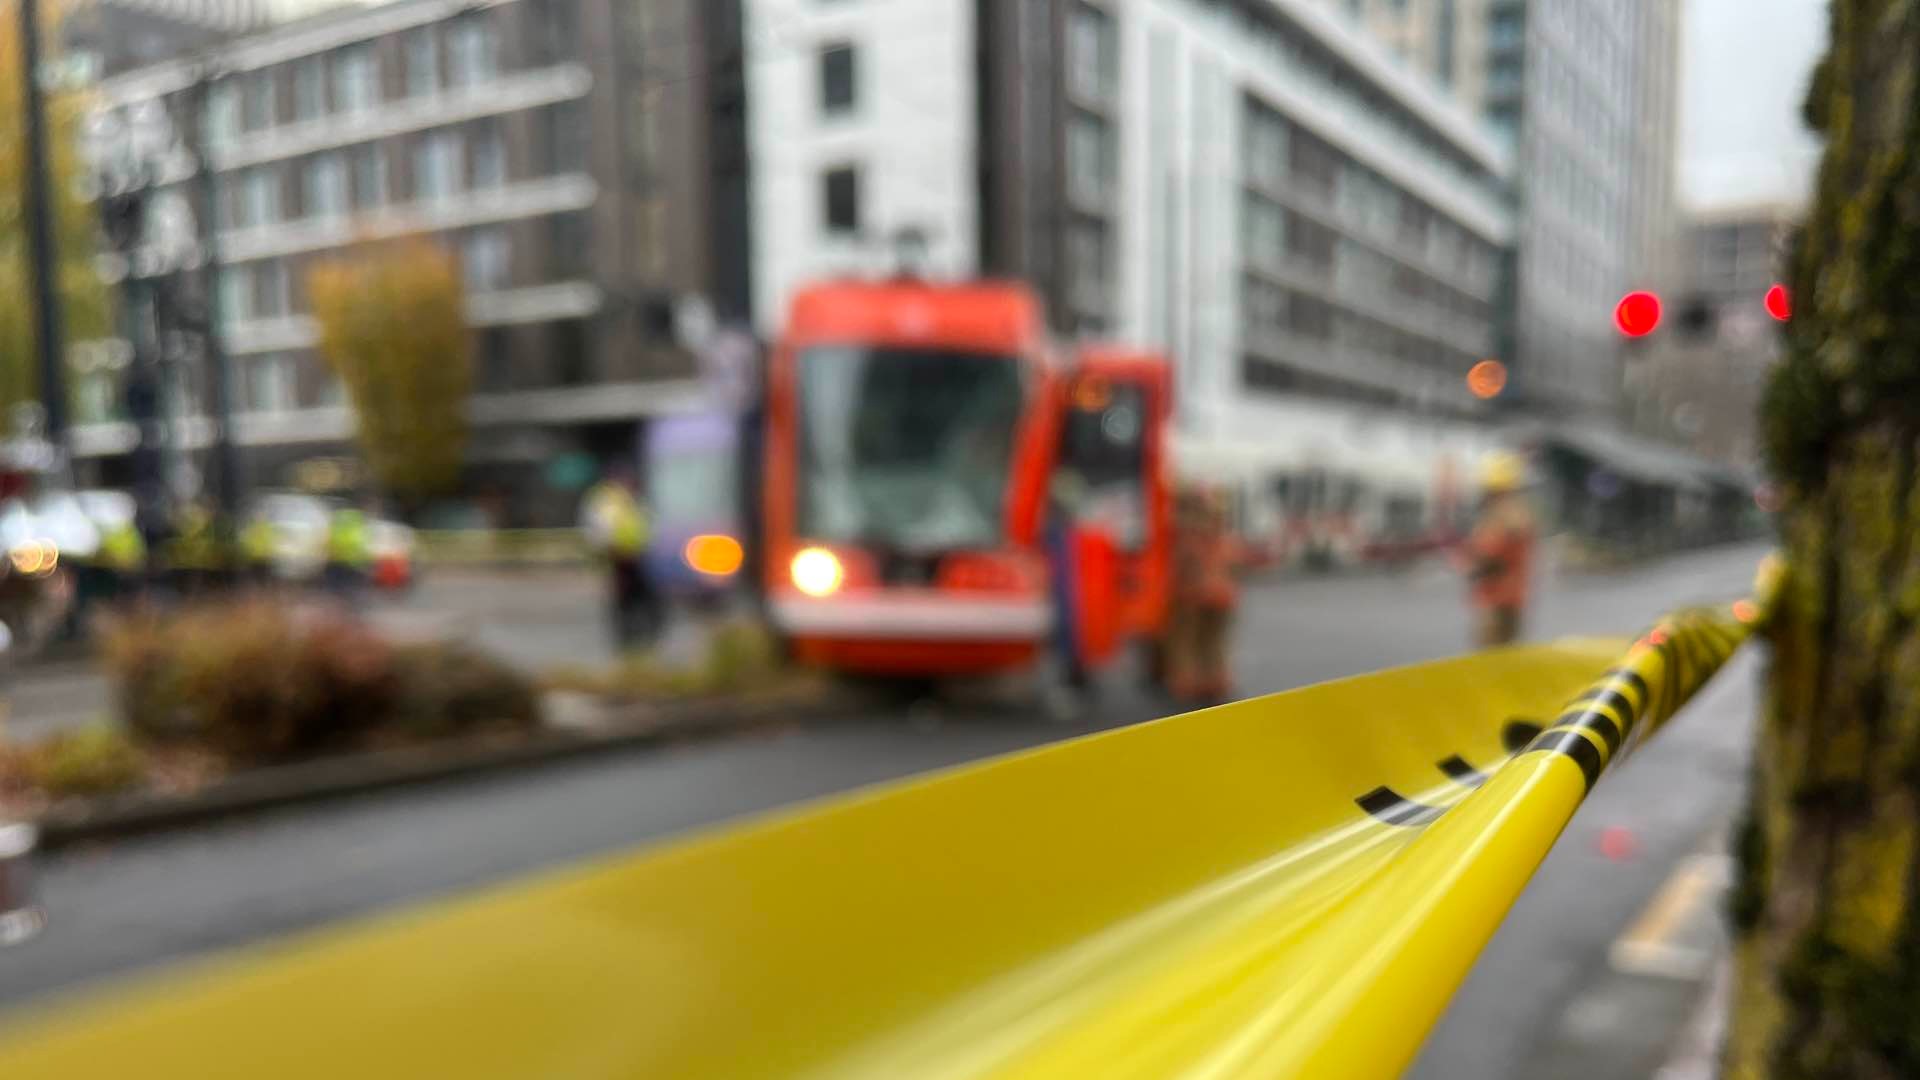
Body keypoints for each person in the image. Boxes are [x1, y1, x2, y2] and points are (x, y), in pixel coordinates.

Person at [1164, 484, 1240, 702]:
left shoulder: (1183, 532)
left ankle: (1186, 685)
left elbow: (1184, 565)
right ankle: (1217, 682)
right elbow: (1235, 563)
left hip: (1192, 595)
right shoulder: (1220, 531)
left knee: (1185, 641)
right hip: (1223, 595)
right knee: (1214, 642)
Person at [1464, 451, 1538, 648]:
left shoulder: (1499, 516)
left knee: (1488, 661)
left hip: (1493, 601)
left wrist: (1470, 567)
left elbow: (1488, 558)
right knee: (1508, 657)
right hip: (1515, 598)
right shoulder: (1523, 514)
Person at [581, 465, 658, 647]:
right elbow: (601, 530)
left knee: (636, 598)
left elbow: (644, 524)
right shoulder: (611, 500)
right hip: (619, 557)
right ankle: (627, 638)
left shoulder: (628, 498)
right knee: (625, 599)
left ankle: (636, 635)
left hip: (635, 556)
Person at [323, 499, 373, 601]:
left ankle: (338, 599)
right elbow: (363, 539)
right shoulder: (357, 519)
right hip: (350, 558)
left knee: (339, 583)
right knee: (347, 584)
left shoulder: (341, 518)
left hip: (340, 557)